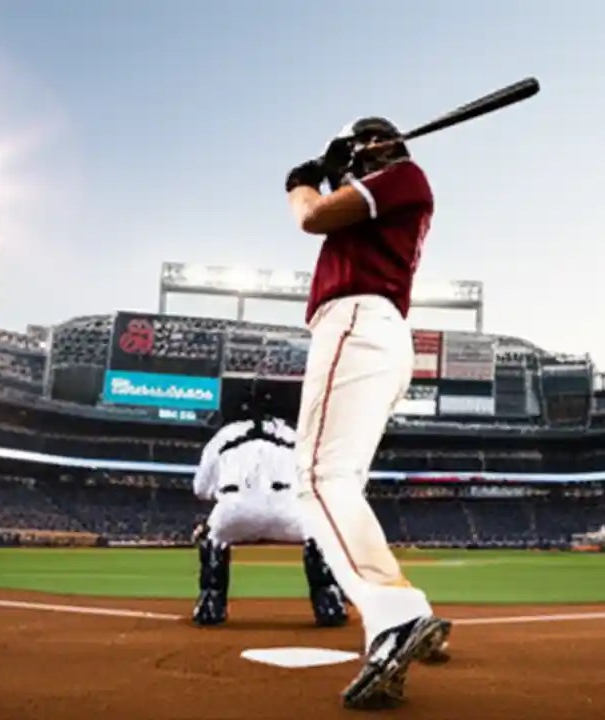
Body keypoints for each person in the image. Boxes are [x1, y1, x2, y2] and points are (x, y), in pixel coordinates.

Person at [283, 117, 450, 710]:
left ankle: (395, 615)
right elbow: (339, 208)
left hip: (356, 321)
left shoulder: (405, 176)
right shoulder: (386, 190)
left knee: (317, 480)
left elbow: (311, 217)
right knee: (339, 481)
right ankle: (410, 611)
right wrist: (337, 174)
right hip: (374, 329)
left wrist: (303, 182)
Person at [191, 395, 348, 629]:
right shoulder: (292, 435)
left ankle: (210, 606)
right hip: (287, 511)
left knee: (212, 538)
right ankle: (329, 604)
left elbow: (200, 489)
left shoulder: (222, 437)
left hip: (234, 511)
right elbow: (312, 482)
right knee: (320, 534)